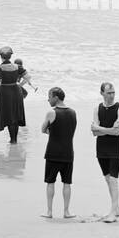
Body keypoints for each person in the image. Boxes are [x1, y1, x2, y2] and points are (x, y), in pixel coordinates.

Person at [91, 82, 119, 222]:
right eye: (109, 93)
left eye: (113, 92)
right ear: (102, 93)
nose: (112, 95)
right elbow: (94, 133)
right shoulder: (97, 108)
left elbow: (117, 132)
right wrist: (108, 130)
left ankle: (112, 212)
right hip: (101, 147)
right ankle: (116, 208)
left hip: (115, 147)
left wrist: (101, 129)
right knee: (107, 179)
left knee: (113, 180)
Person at [41, 87, 77, 219]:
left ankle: (49, 212)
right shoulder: (73, 112)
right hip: (68, 152)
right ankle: (66, 212)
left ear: (56, 97)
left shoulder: (51, 112)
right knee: (67, 183)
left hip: (53, 153)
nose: (48, 99)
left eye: (49, 96)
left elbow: (43, 129)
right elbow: (70, 131)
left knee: (50, 182)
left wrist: (51, 132)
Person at [0, 47, 26, 143]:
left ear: (1, 56)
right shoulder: (17, 66)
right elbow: (28, 76)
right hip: (17, 91)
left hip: (5, 93)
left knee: (9, 116)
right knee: (15, 115)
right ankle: (14, 139)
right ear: (10, 56)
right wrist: (19, 85)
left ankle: (12, 140)